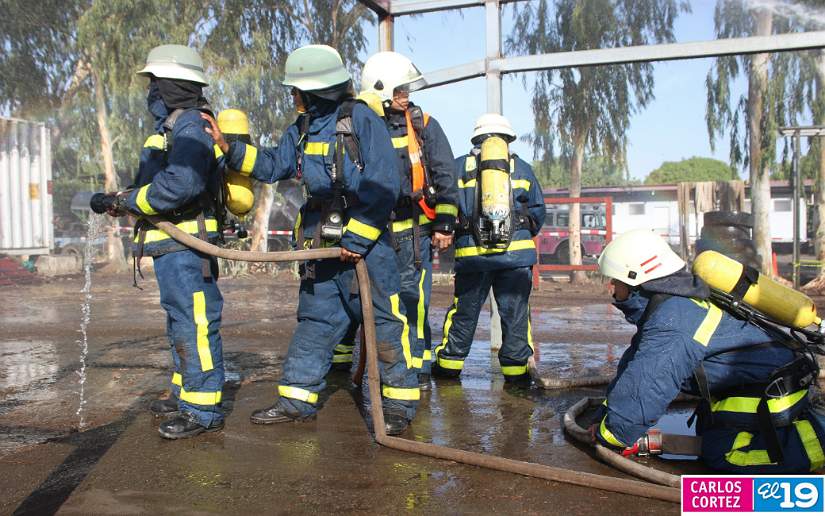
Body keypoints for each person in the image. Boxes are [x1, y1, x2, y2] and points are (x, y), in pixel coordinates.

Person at [203, 44, 419, 435]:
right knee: (315, 321)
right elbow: (271, 164)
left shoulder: (360, 122)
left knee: (385, 322)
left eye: (295, 89)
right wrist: (228, 149)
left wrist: (359, 237)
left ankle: (399, 404)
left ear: (314, 90)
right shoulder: (301, 128)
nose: (291, 95)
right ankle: (296, 400)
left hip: (365, 247)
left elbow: (385, 183)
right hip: (322, 240)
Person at [594, 229, 825, 473]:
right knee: (708, 426)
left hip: (773, 394)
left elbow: (649, 386)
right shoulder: (672, 302)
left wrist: (611, 434)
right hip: (758, 385)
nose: (611, 288)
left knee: (723, 453)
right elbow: (636, 367)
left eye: (615, 281)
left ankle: (817, 443)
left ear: (635, 280)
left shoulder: (673, 320)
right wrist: (606, 413)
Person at [94, 44, 226, 439]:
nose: (151, 91)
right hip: (172, 245)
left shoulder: (189, 125)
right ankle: (185, 391)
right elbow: (157, 186)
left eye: (155, 83)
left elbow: (182, 183)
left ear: (172, 85)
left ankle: (202, 411)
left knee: (195, 323)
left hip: (187, 245)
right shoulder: (170, 127)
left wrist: (129, 199)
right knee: (179, 322)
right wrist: (121, 202)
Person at [352, 51, 458, 389]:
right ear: (381, 90)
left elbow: (444, 174)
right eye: (400, 90)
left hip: (414, 234)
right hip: (374, 234)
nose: (406, 96)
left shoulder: (424, 125)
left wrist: (443, 225)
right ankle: (383, 369)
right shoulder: (360, 127)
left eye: (407, 90)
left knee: (415, 303)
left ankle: (416, 370)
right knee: (376, 304)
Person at [432, 114, 546, 385]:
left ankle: (449, 366)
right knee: (516, 313)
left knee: (464, 312)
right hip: (516, 257)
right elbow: (538, 212)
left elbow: (445, 205)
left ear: (476, 139)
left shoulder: (459, 167)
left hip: (474, 258)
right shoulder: (523, 169)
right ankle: (516, 374)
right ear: (507, 139)